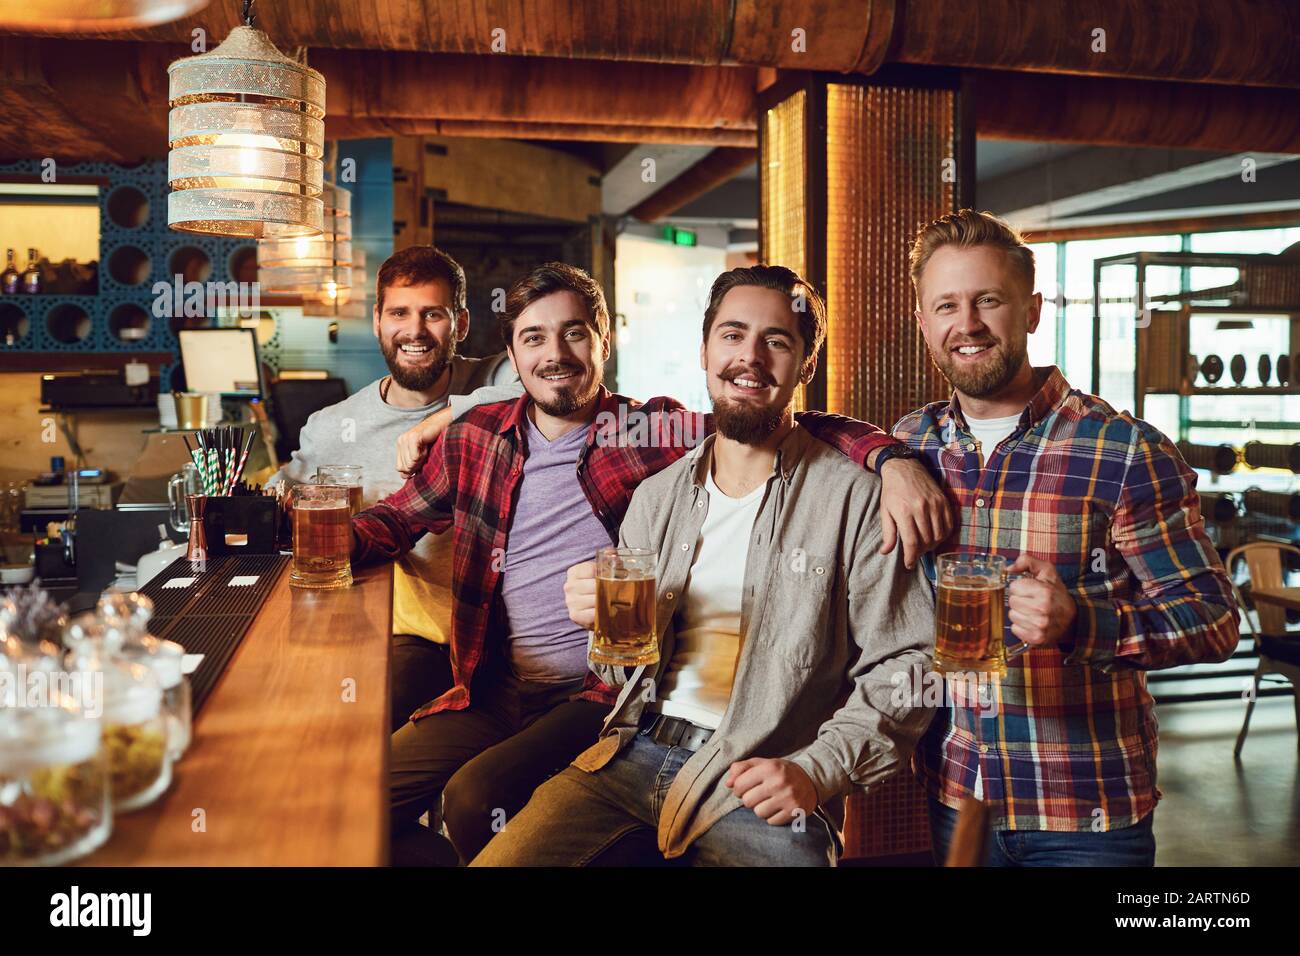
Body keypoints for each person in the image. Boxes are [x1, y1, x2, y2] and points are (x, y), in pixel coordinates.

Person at [350, 262, 946, 865]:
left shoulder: (649, 433)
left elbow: (765, 420)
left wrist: (890, 458)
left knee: (475, 798)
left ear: (604, 342)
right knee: (361, 802)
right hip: (530, 698)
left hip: (630, 719)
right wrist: (326, 541)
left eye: (777, 341)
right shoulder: (506, 442)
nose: (555, 354)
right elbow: (398, 518)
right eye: (733, 336)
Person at [895, 209, 1240, 867]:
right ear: (923, 323)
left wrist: (1083, 621)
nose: (966, 324)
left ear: (1030, 310)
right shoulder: (910, 443)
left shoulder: (1124, 451)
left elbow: (1215, 621)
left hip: (1086, 816)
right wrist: (887, 464)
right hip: (955, 797)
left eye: (987, 300)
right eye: (946, 305)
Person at [268, 245, 517, 732]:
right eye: (400, 313)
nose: (415, 331)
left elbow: (547, 382)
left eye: (434, 314)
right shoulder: (333, 425)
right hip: (376, 624)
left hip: (484, 640)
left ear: (461, 324)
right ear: (378, 320)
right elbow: (281, 496)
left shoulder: (493, 380)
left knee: (357, 722)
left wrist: (441, 420)